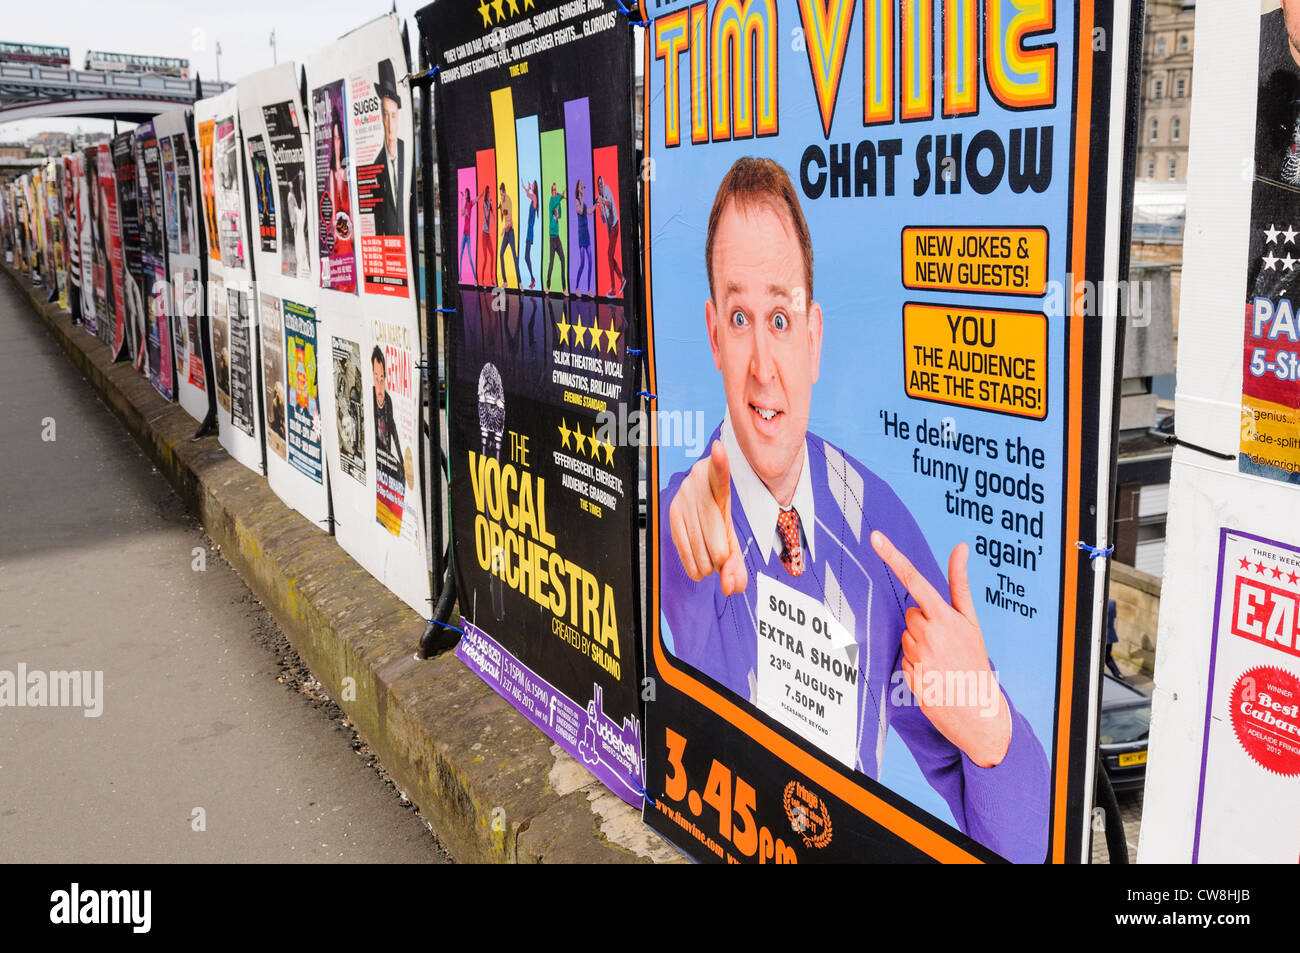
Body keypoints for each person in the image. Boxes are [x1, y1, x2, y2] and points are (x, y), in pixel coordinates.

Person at [660, 157, 1049, 863]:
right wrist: (674, 532)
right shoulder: (674, 523)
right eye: (740, 317)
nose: (761, 365)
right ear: (713, 335)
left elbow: (1023, 845)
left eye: (779, 318)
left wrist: (986, 718)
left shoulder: (878, 529)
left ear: (813, 337)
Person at [370, 59, 405, 238]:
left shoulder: (407, 154)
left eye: (393, 115)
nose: (390, 125)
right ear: (381, 118)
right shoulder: (376, 165)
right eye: (385, 115)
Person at [596, 174, 625, 298]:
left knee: (609, 255)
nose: (601, 186)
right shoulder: (601, 198)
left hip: (614, 226)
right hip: (610, 229)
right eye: (599, 185)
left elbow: (608, 204)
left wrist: (602, 202)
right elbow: (603, 219)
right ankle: (622, 278)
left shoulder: (607, 190)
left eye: (601, 183)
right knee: (610, 256)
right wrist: (599, 207)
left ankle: (614, 287)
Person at [573, 179, 593, 297]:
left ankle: (589, 289)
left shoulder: (584, 204)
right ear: (578, 189)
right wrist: (582, 197)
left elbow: (589, 212)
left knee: (590, 261)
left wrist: (596, 205)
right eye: (580, 186)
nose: (582, 188)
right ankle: (576, 288)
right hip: (581, 234)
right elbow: (580, 211)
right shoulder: (577, 201)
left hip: (587, 233)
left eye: (583, 186)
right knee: (582, 262)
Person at [545, 182, 567, 296]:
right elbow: (553, 205)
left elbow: (560, 215)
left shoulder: (557, 202)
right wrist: (561, 197)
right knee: (551, 263)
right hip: (552, 237)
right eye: (553, 190)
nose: (554, 191)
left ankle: (564, 288)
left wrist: (561, 200)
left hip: (557, 237)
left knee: (563, 259)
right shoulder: (551, 201)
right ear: (551, 192)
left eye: (555, 190)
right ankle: (548, 286)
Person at [498, 182, 519, 288]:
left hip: (510, 232)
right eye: (500, 195)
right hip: (506, 233)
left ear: (505, 192)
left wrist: (503, 229)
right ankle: (505, 281)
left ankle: (519, 282)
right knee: (501, 254)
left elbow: (509, 220)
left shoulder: (509, 200)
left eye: (502, 194)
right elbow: (503, 216)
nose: (501, 196)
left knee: (514, 256)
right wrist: (500, 209)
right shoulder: (502, 201)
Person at [521, 179, 539, 290]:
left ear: (535, 187)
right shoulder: (534, 198)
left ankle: (533, 278)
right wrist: (526, 188)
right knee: (526, 257)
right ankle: (532, 279)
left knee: (526, 256)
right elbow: (528, 194)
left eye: (532, 185)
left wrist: (525, 187)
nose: (531, 185)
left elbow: (528, 194)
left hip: (530, 231)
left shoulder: (534, 197)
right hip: (529, 230)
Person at [478, 185, 495, 287]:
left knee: (492, 255)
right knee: (485, 258)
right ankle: (483, 279)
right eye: (488, 193)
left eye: (489, 193)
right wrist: (489, 203)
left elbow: (492, 216)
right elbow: (487, 215)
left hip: (488, 234)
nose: (489, 195)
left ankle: (492, 278)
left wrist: (493, 218)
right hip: (484, 234)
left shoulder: (488, 203)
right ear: (486, 194)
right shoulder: (484, 204)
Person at [459, 187, 476, 280]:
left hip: (468, 235)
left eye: (466, 193)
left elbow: (467, 214)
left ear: (468, 194)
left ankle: (475, 278)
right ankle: (460, 277)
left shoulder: (470, 204)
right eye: (464, 193)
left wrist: (467, 213)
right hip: (464, 234)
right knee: (461, 255)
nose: (465, 195)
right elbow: (462, 213)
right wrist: (461, 199)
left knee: (469, 256)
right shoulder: (465, 204)